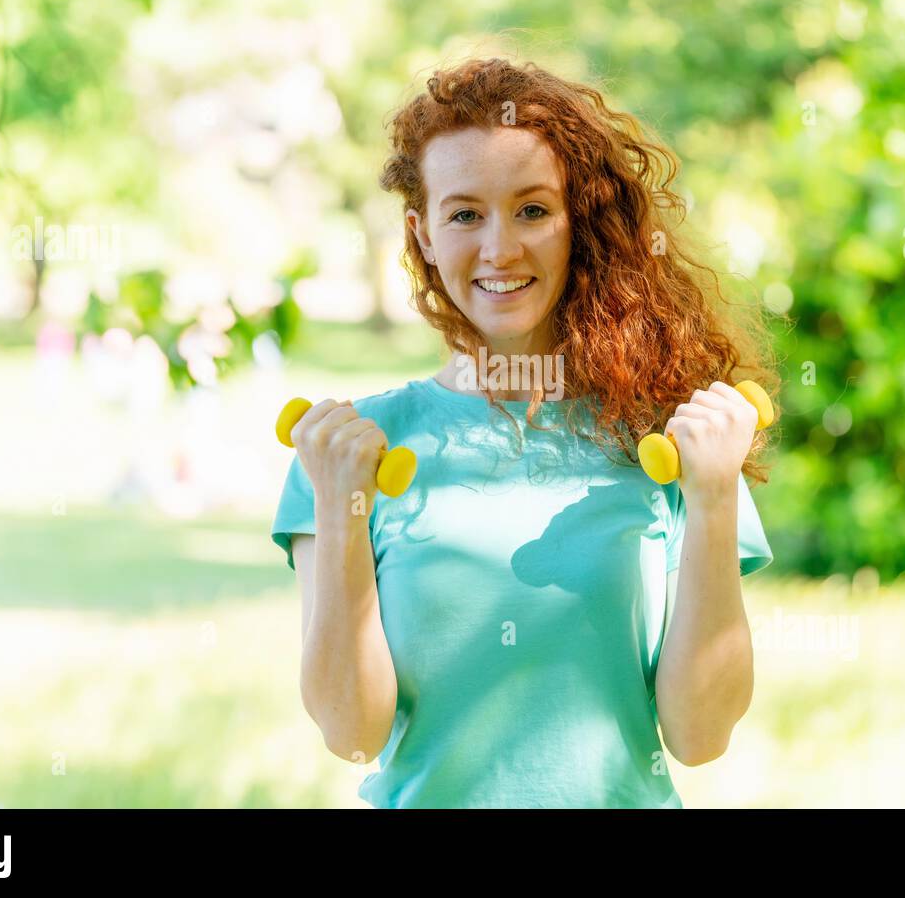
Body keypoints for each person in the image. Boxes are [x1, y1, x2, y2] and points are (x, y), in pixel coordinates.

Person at [272, 57, 777, 808]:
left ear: (582, 221)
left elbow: (701, 736)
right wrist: (344, 511)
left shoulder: (669, 444)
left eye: (533, 210)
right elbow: (352, 733)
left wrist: (711, 495)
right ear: (424, 234)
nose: (500, 249)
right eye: (465, 214)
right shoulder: (351, 453)